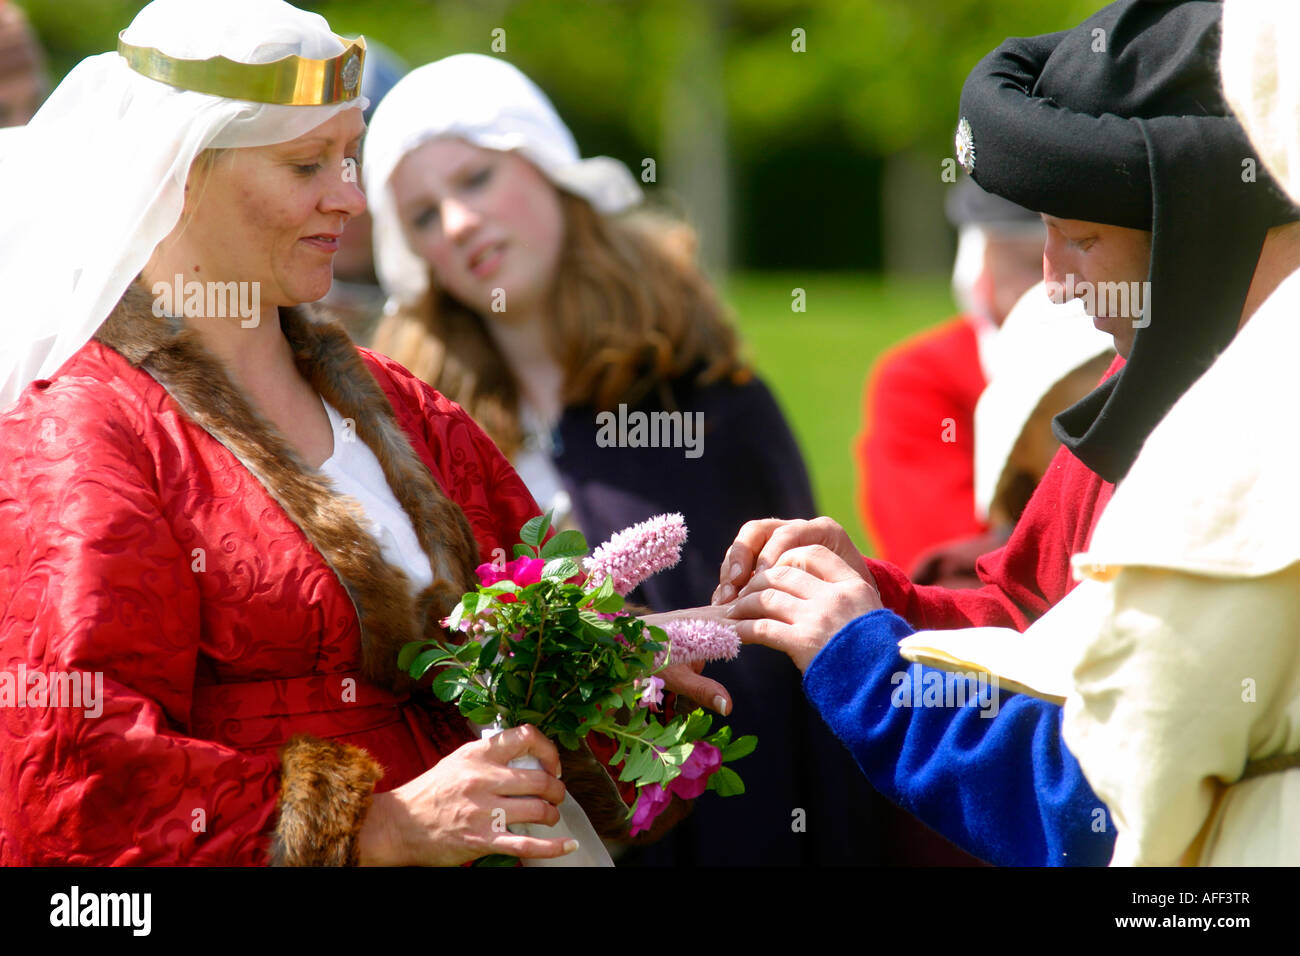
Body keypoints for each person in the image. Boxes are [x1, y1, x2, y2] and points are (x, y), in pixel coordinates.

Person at [0, 0, 711, 867]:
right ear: (179, 172)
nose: (350, 197)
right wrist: (379, 827)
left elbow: (513, 629)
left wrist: (615, 657)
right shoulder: (89, 432)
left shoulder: (400, 407)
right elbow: (78, 774)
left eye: (349, 155)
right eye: (308, 163)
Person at [711, 0, 1300, 865]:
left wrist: (868, 669)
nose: (1054, 283)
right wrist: (873, 603)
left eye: (1083, 238)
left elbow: (1091, 801)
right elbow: (1033, 621)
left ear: (1202, 232)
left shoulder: (1251, 453)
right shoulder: (1148, 390)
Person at [362, 54, 884, 865]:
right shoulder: (424, 429)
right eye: (424, 216)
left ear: (546, 168)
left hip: (731, 818)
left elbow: (773, 659)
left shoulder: (708, 399)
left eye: (476, 179)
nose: (458, 224)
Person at [857, 180, 1042, 576]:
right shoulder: (922, 380)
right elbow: (951, 570)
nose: (1062, 284)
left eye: (1086, 247)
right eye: (1033, 262)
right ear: (980, 261)